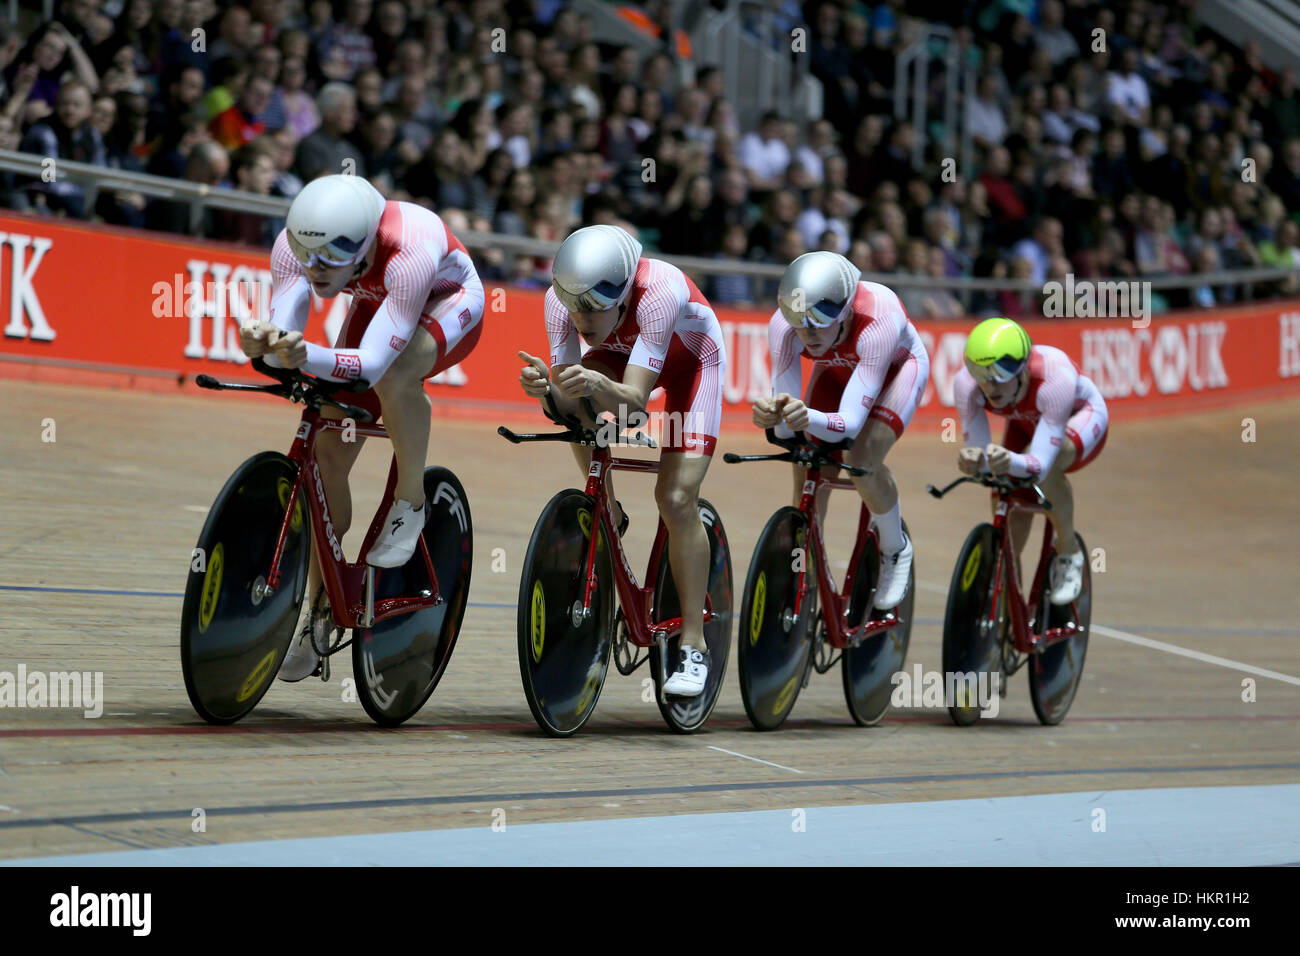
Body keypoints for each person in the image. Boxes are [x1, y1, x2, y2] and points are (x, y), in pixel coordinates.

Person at [239, 174, 485, 680]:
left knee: (396, 376)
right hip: (381, 298)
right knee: (327, 451)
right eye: (310, 255)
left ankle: (411, 499)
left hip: (448, 302)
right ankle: (322, 610)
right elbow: (286, 323)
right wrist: (266, 341)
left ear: (367, 239)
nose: (316, 267)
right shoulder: (294, 244)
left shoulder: (409, 247)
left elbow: (370, 364)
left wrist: (309, 354)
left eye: (333, 256)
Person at [516, 225, 726, 697]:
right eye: (574, 305)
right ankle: (607, 508)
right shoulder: (559, 302)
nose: (580, 317)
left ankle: (693, 644)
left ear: (625, 293)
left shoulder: (658, 293)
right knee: (577, 407)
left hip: (693, 365)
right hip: (621, 360)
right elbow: (569, 405)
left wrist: (593, 387)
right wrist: (545, 389)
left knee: (674, 498)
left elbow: (632, 409)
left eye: (593, 307)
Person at [752, 252, 930, 611]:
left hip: (895, 373)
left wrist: (805, 417)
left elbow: (847, 426)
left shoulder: (878, 317)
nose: (809, 331)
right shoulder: (783, 325)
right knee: (806, 463)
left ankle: (895, 548)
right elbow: (786, 419)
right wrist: (770, 415)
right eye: (799, 320)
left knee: (861, 457)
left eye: (821, 318)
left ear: (846, 309)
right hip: (837, 373)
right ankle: (804, 572)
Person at [952, 317, 1108, 605]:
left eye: (1001, 370)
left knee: (1043, 475)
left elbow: (1038, 465)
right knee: (1003, 487)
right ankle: (1009, 595)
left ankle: (1068, 552)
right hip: (1025, 424)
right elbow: (982, 456)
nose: (990, 383)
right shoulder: (966, 384)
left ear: (1022, 366)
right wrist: (974, 461)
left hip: (1079, 418)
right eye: (980, 371)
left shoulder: (1053, 377)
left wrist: (1006, 460)